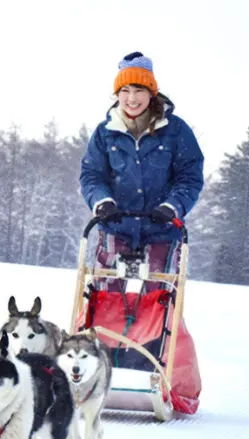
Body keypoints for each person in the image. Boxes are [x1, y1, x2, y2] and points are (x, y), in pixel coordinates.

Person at [79, 51, 205, 290]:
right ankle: (103, 327)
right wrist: (102, 202)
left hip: (162, 229)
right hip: (116, 226)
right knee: (105, 297)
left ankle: (158, 327)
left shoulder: (176, 131)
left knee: (159, 300)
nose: (132, 98)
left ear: (151, 93)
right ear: (117, 95)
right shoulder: (105, 132)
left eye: (139, 90)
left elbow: (190, 178)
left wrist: (172, 207)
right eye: (125, 91)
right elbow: (91, 175)